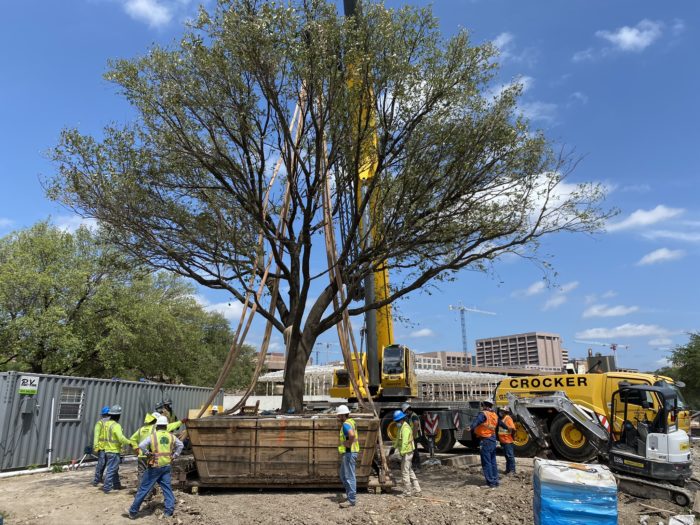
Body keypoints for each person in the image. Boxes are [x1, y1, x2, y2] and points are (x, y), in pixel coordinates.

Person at [128, 415, 184, 519]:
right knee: (167, 489)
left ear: (157, 426)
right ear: (166, 426)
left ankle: (133, 511)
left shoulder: (153, 436)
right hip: (166, 466)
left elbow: (141, 445)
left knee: (144, 489)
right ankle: (168, 511)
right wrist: (174, 455)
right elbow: (180, 445)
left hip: (155, 466)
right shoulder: (171, 436)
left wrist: (147, 453)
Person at [102, 404, 137, 494]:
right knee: (112, 469)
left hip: (107, 450)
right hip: (114, 451)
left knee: (114, 469)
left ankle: (117, 485)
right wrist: (130, 442)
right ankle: (107, 488)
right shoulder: (116, 426)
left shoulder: (106, 424)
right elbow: (120, 438)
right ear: (118, 415)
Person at [391, 410, 422, 497]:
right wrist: (394, 447)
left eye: (397, 421)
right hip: (407, 452)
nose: (396, 423)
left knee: (405, 472)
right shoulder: (401, 428)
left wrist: (401, 453)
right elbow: (398, 439)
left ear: (401, 420)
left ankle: (407, 492)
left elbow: (404, 442)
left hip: (407, 452)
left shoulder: (405, 428)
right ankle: (417, 490)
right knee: (409, 470)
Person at [469, 400, 499, 488]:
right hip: (492, 439)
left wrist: (470, 427)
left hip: (485, 440)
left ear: (484, 405)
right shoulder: (494, 415)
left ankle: (490, 483)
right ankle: (495, 481)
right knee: (492, 461)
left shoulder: (483, 414)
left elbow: (477, 421)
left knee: (486, 462)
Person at [336, 404, 358, 508]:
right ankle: (349, 495)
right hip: (350, 453)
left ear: (342, 415)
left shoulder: (346, 424)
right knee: (343, 475)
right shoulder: (351, 422)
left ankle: (351, 500)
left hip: (350, 452)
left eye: (339, 415)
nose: (338, 417)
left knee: (349, 477)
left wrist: (348, 443)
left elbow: (352, 435)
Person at [91, 405, 111, 486]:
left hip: (109, 447)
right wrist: (96, 446)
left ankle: (100, 478)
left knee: (105, 463)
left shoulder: (111, 423)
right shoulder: (100, 423)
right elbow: (96, 435)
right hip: (102, 447)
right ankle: (96, 480)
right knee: (101, 463)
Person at [401, 402, 422, 472]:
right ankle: (414, 466)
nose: (405, 413)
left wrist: (413, 437)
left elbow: (415, 425)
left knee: (415, 451)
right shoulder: (410, 416)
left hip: (415, 436)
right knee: (413, 451)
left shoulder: (414, 416)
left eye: (405, 412)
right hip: (412, 436)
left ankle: (418, 467)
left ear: (407, 410)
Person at [497, 407, 516, 475]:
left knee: (510, 456)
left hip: (507, 440)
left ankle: (512, 470)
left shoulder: (508, 418)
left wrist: (513, 437)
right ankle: (508, 470)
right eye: (500, 411)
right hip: (503, 441)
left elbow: (513, 429)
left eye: (502, 411)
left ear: (506, 412)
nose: (501, 412)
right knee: (507, 456)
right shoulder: (502, 419)